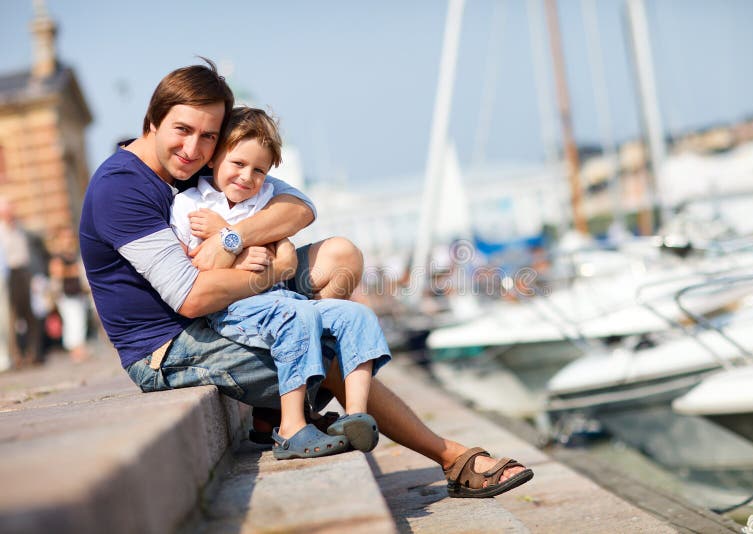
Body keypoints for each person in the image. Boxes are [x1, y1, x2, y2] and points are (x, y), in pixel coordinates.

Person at [79, 58, 532, 497]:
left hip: (225, 301)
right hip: (168, 347)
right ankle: (451, 457)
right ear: (152, 120)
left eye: (208, 137)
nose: (195, 149)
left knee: (341, 257)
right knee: (325, 341)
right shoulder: (122, 188)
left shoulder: (194, 165)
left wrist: (232, 238)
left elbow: (299, 208)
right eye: (183, 131)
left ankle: (275, 409)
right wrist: (274, 272)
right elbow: (191, 298)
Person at [170, 106, 390, 458]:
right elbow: (192, 267)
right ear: (214, 160)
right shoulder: (189, 205)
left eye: (259, 170)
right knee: (299, 318)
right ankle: (291, 425)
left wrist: (226, 235)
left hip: (281, 297)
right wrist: (241, 254)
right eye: (238, 164)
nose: (247, 177)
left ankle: (356, 415)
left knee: (356, 316)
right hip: (233, 305)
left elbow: (285, 250)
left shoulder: (266, 198)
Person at [0, 198, 42, 367]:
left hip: (24, 272)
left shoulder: (21, 228)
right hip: (8, 275)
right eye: (7, 209)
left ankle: (34, 353)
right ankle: (15, 355)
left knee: (31, 314)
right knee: (10, 316)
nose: (11, 212)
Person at [49, 226, 90, 362]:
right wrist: (74, 270)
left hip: (77, 292)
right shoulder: (58, 256)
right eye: (65, 237)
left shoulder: (74, 255)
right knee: (72, 321)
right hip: (66, 295)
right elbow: (57, 272)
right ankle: (75, 350)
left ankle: (80, 348)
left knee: (80, 321)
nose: (68, 240)